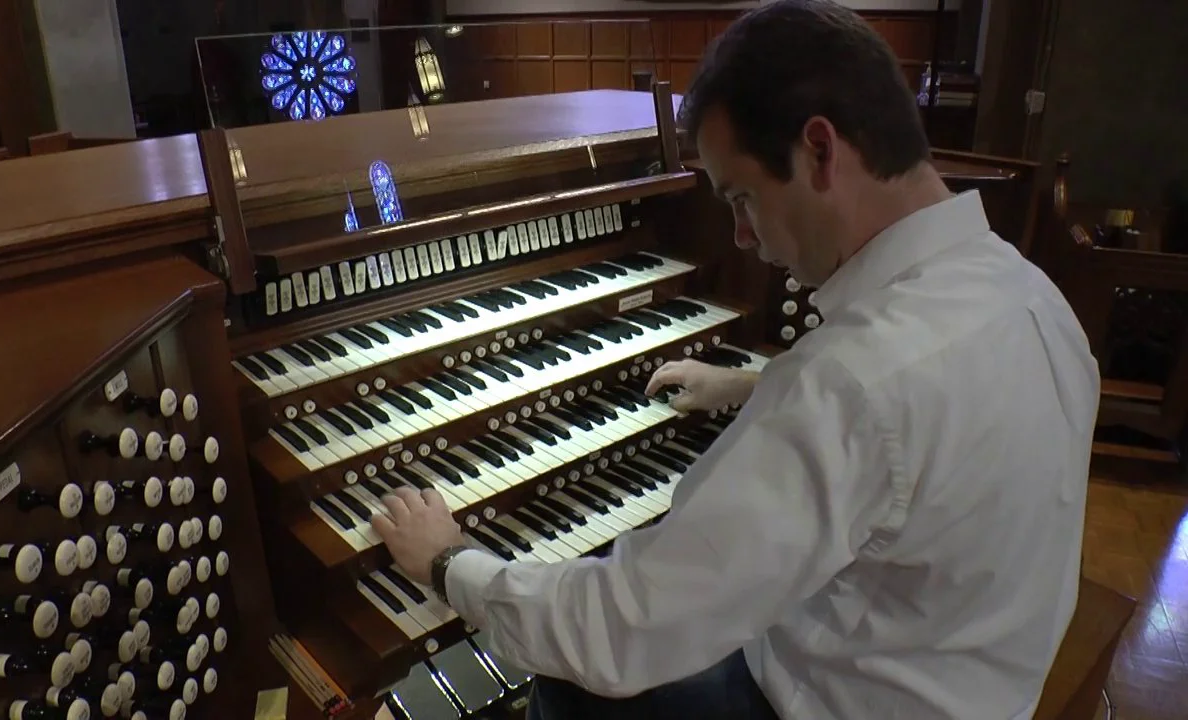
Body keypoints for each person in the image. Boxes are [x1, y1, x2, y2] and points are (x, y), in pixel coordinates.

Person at [369, 1, 1101, 718]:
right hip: (977, 678)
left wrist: (446, 560)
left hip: (841, 696)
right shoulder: (1029, 297)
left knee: (573, 680)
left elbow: (618, 632)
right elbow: (931, 432)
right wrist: (757, 386)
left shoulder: (850, 382)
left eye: (742, 197)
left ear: (821, 150)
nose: (743, 238)